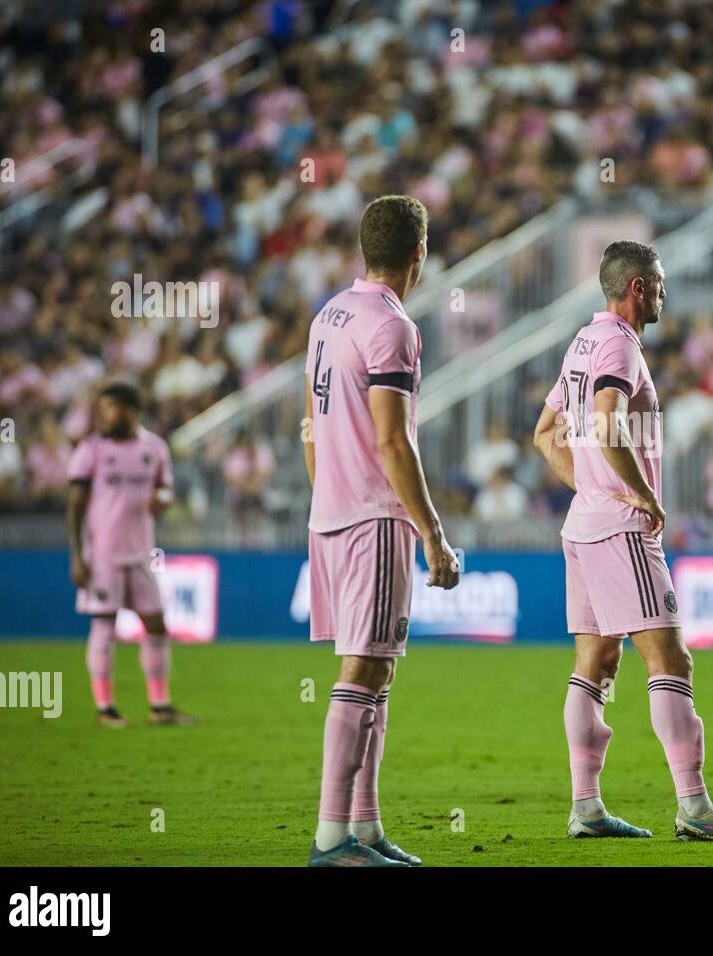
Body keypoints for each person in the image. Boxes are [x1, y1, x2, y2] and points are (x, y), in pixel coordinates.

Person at [533, 240, 713, 843]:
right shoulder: (617, 345)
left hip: (584, 525)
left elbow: (544, 433)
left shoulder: (584, 342)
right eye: (659, 283)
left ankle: (586, 808)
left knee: (596, 664)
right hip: (619, 529)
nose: (665, 293)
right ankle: (694, 806)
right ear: (637, 287)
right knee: (670, 661)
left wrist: (590, 484)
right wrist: (639, 493)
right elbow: (608, 422)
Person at [302, 195, 460, 867]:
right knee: (364, 668)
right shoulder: (392, 325)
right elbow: (394, 443)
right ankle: (331, 835)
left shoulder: (330, 313)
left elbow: (309, 423)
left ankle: (364, 829)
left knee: (379, 672)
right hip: (373, 515)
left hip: (333, 510)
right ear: (419, 253)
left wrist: (325, 494)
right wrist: (432, 530)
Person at [66, 381, 194, 728]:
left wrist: (163, 500)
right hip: (103, 555)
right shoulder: (90, 450)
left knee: (156, 625)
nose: (104, 415)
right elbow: (74, 507)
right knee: (104, 625)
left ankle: (160, 706)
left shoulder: (154, 447)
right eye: (102, 408)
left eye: (111, 408)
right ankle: (105, 709)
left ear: (130, 410)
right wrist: (76, 555)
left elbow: (164, 490)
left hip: (142, 553)